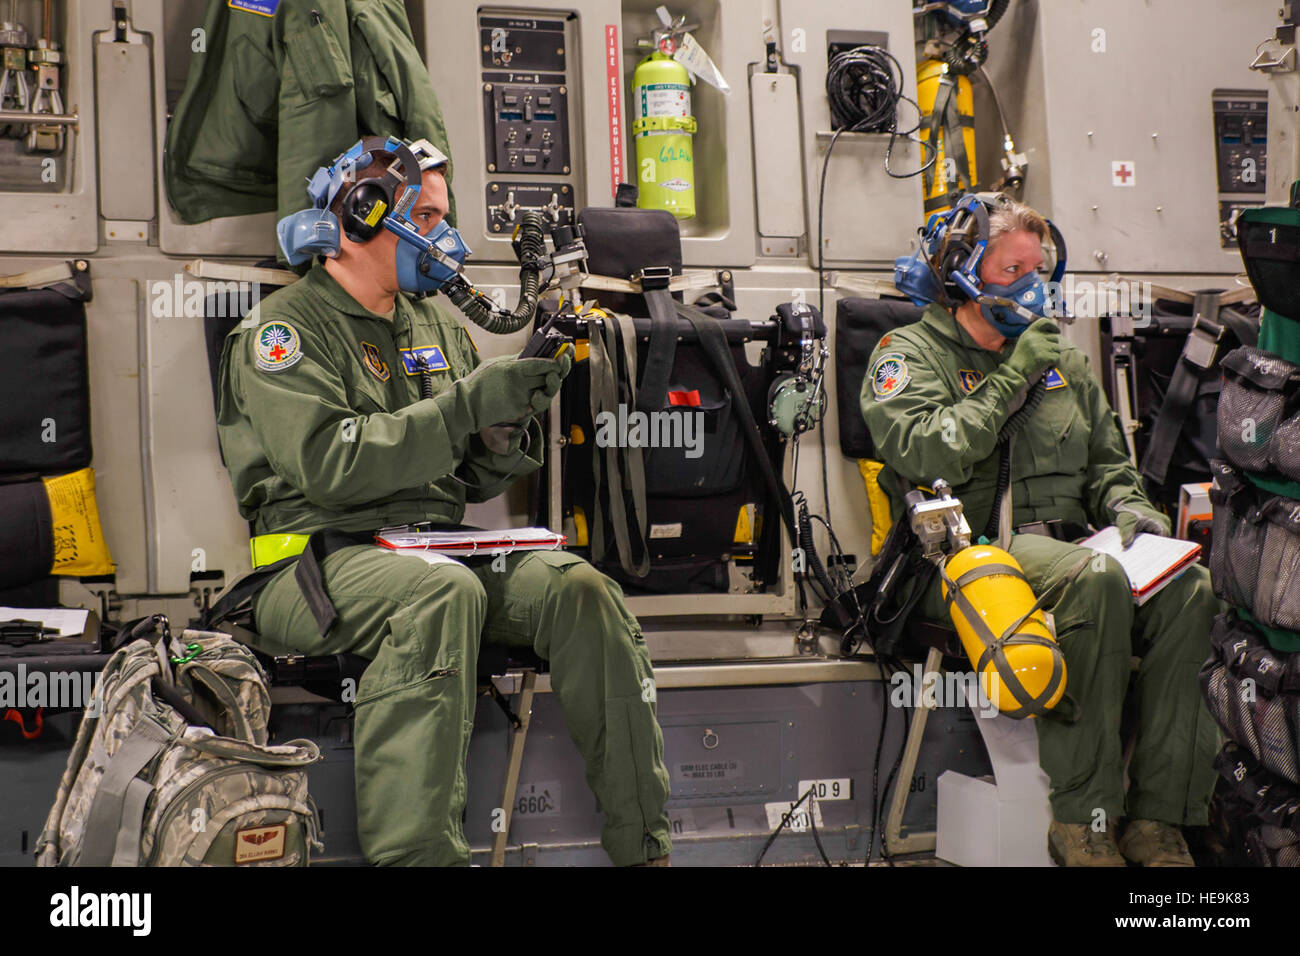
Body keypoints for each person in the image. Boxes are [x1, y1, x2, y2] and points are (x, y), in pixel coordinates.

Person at [215, 135, 671, 866]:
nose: (444, 237)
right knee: (440, 597)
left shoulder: (434, 326)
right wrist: (461, 410)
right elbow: (331, 465)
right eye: (426, 216)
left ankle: (644, 846)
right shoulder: (283, 333)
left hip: (428, 548)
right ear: (363, 216)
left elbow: (458, 480)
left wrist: (497, 432)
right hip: (312, 567)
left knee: (582, 590)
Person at [861, 194, 1220, 867]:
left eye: (1039, 267)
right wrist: (1013, 376)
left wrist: (1131, 511)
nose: (1032, 284)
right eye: (1010, 268)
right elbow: (926, 454)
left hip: (1076, 548)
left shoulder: (1066, 363)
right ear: (964, 272)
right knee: (1098, 580)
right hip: (968, 559)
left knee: (1192, 589)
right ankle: (1083, 821)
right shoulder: (905, 353)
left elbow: (1109, 467)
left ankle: (1159, 820)